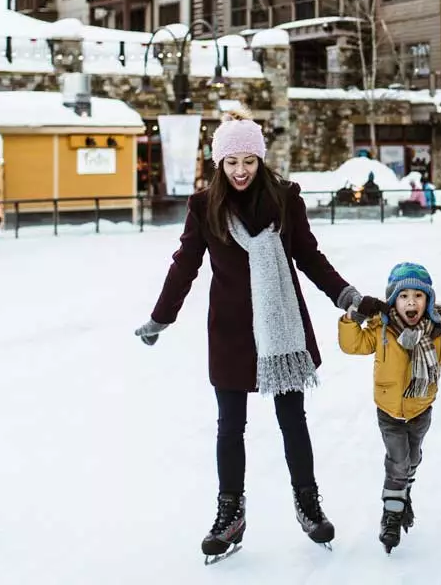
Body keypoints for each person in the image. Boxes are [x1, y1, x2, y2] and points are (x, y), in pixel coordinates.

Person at [133, 112, 384, 562]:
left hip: (281, 332)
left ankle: (308, 503)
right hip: (230, 331)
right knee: (230, 426)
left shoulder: (285, 200)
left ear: (261, 159)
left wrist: (348, 296)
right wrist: (161, 317)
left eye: (249, 160)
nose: (241, 170)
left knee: (293, 420)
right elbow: (184, 265)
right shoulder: (205, 206)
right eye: (232, 162)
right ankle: (230, 511)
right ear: (219, 163)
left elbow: (310, 257)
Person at [338, 262, 441, 552]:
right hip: (388, 410)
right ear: (393, 300)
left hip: (420, 409)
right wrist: (354, 318)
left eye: (418, 295)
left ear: (427, 301)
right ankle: (391, 515)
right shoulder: (381, 329)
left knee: (412, 459)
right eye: (403, 296)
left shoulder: (439, 331)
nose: (411, 302)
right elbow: (353, 345)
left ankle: (402, 491)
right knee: (398, 461)